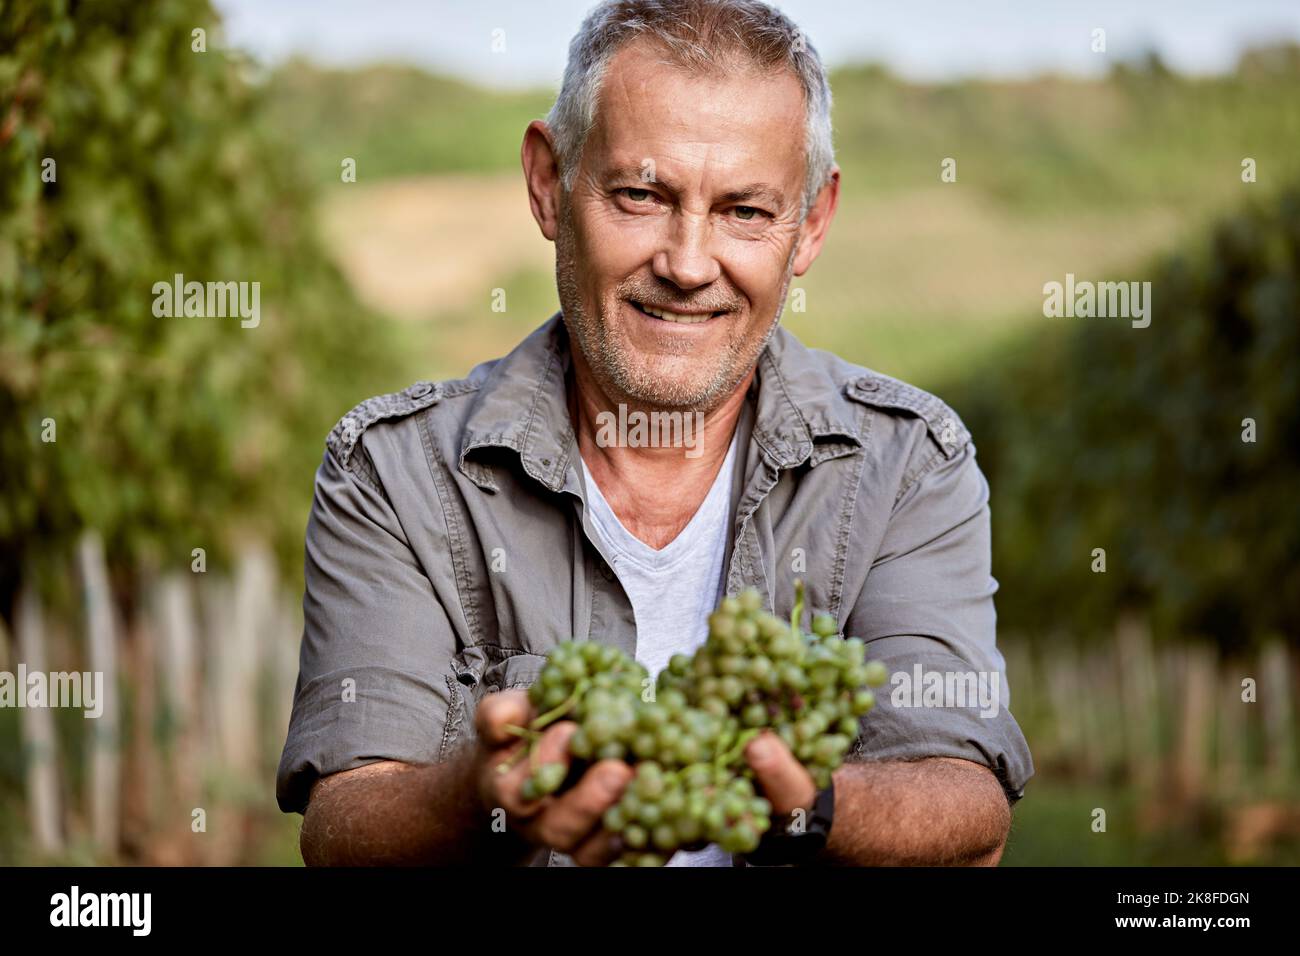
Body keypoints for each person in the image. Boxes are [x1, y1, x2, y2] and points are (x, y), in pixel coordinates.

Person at [276, 0, 1034, 867]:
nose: (686, 262)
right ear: (547, 183)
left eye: (746, 212)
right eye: (641, 195)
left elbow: (967, 801)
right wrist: (475, 795)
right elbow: (343, 826)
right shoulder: (395, 469)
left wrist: (811, 806)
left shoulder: (908, 463)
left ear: (812, 224)